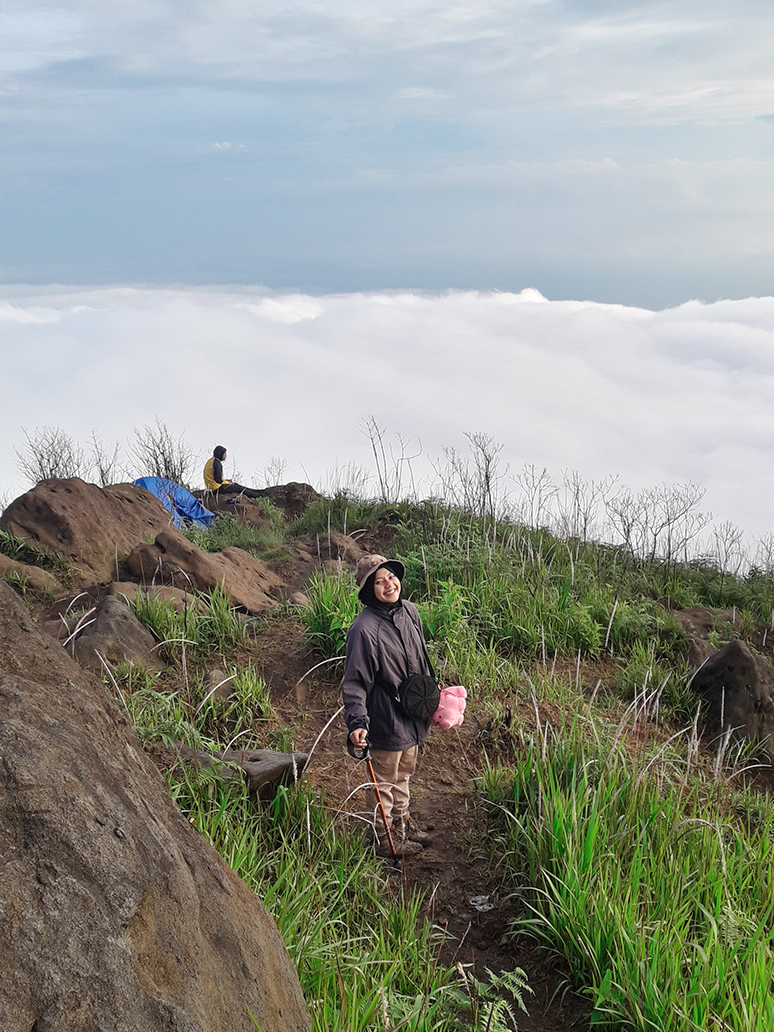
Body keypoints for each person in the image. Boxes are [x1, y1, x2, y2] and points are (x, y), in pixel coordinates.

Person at [342, 554, 434, 858]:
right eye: (378, 581)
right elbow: (355, 681)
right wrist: (358, 722)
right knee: (384, 781)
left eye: (391, 577)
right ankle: (384, 839)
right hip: (384, 716)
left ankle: (402, 824)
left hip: (411, 713)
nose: (388, 584)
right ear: (369, 590)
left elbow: (422, 659)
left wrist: (433, 695)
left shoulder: (410, 611)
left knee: (404, 773)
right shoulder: (364, 628)